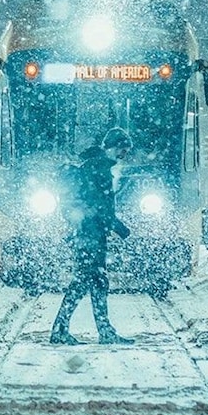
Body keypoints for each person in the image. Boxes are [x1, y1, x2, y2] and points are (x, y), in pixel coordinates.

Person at [50, 127, 132, 346]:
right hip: (89, 234)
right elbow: (99, 205)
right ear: (113, 146)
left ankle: (101, 331)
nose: (123, 155)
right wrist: (120, 228)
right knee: (87, 281)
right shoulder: (98, 168)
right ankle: (63, 330)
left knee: (95, 281)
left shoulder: (95, 165)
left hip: (88, 233)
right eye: (122, 149)